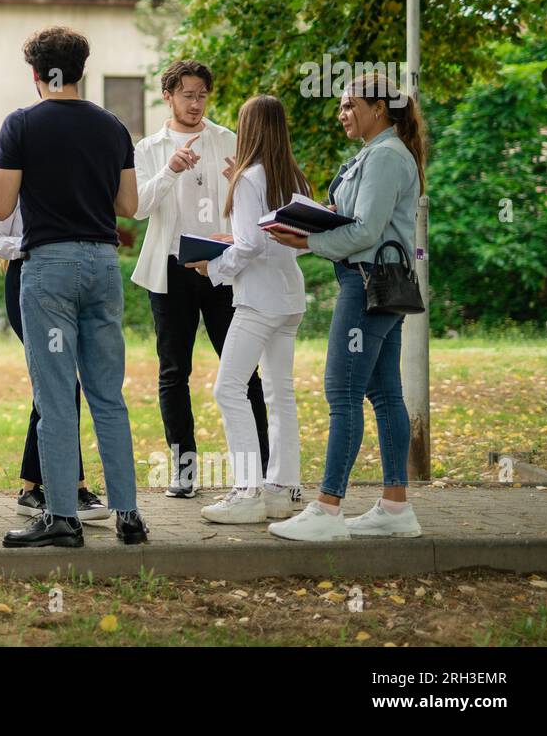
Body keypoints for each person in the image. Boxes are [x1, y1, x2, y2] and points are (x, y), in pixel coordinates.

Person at [0, 26, 148, 549]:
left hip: (50, 267)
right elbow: (128, 206)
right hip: (103, 262)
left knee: (55, 396)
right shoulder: (113, 126)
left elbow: (0, 206)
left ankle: (61, 517)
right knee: (108, 395)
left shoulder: (21, 125)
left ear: (36, 74)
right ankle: (129, 515)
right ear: (81, 69)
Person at [267, 72, 427, 541]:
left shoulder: (384, 157)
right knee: (383, 394)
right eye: (340, 106)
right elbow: (354, 219)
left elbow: (364, 233)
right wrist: (309, 224)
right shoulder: (376, 155)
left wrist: (308, 239)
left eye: (349, 105)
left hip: (366, 286)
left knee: (342, 392)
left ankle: (328, 508)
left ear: (378, 108)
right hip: (377, 285)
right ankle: (395, 509)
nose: (341, 114)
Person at [131, 59, 271, 499]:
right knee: (174, 371)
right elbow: (136, 208)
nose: (195, 103)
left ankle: (261, 470)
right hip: (171, 269)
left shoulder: (228, 139)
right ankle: (184, 471)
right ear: (168, 96)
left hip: (221, 268)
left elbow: (251, 199)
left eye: (202, 95)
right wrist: (170, 169)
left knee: (245, 371)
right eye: (187, 95)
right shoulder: (148, 148)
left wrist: (238, 186)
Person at [183, 95, 309, 523]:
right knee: (279, 391)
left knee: (228, 388)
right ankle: (282, 487)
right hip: (289, 297)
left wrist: (212, 264)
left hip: (258, 300)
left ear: (248, 129)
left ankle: (246, 491)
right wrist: (232, 241)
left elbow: (252, 244)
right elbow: (287, 240)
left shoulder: (249, 179)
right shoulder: (295, 178)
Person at [0, 205, 109, 520]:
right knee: (60, 381)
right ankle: (72, 488)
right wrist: (32, 244)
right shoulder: (14, 175)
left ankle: (32, 489)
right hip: (26, 281)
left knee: (56, 382)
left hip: (68, 280)